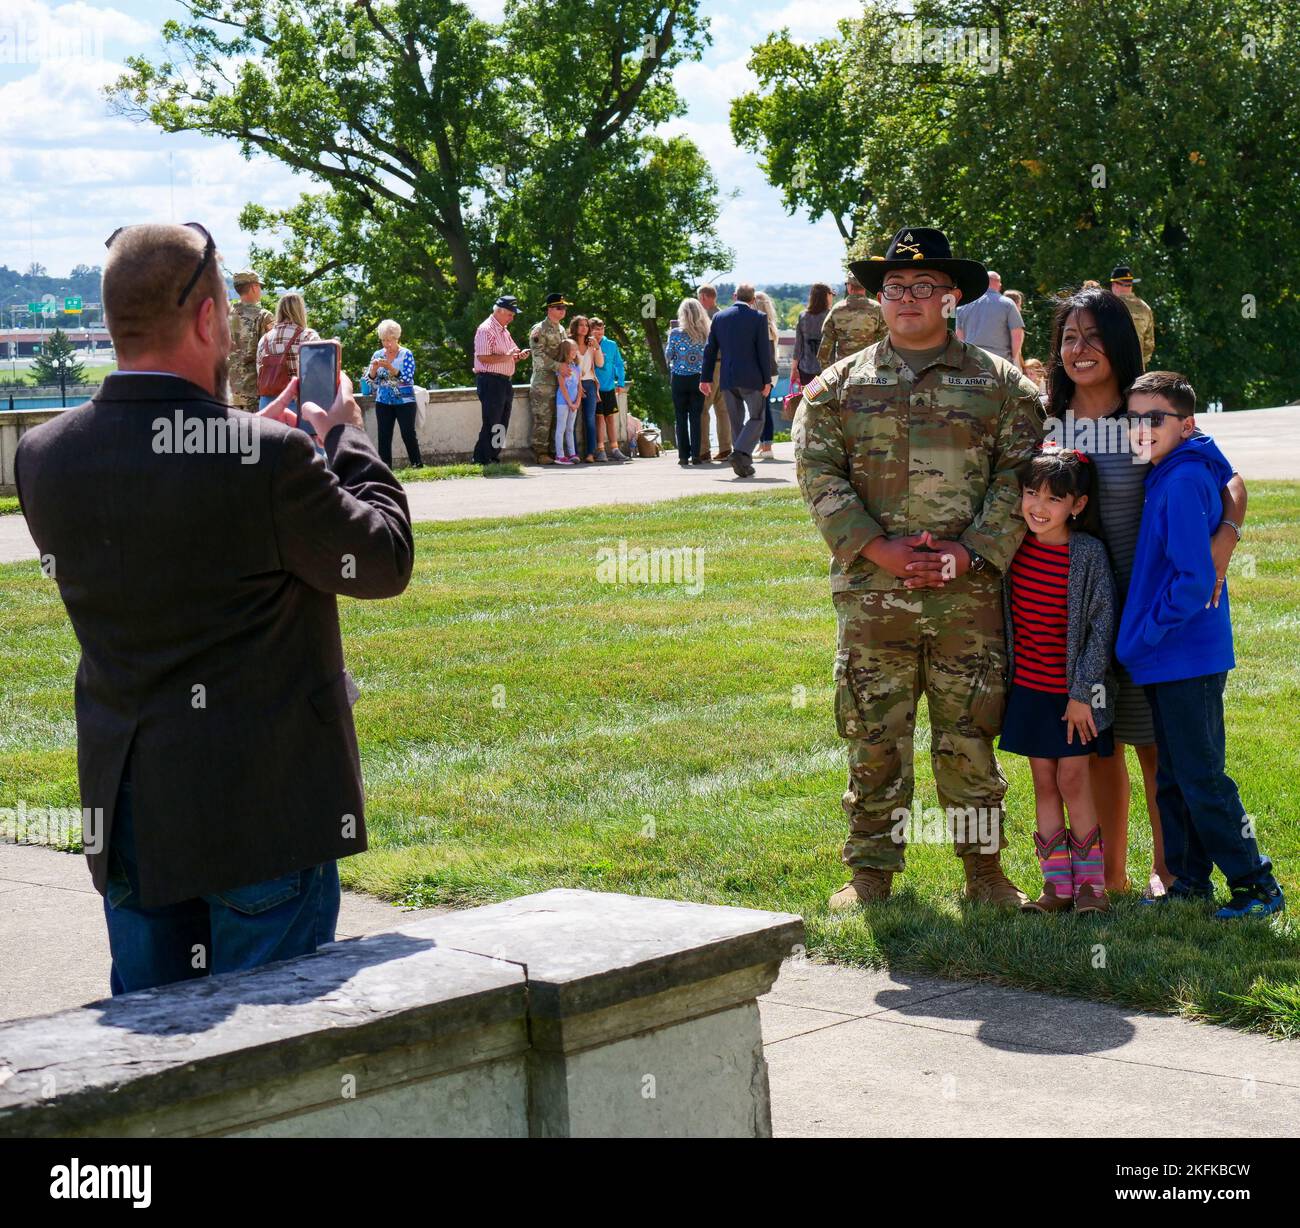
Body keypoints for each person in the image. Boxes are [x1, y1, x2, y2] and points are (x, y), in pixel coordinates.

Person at [13, 223, 414, 994]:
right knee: (269, 1069)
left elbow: (168, 505)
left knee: (148, 1063)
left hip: (131, 811)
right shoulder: (271, 459)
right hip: (264, 812)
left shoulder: (44, 455)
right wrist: (348, 441)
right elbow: (382, 558)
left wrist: (271, 442)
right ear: (204, 321)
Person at [795, 226, 1044, 909]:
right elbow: (818, 472)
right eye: (895, 287)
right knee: (874, 731)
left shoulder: (1000, 387)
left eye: (924, 286)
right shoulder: (838, 389)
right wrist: (879, 549)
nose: (907, 298)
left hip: (968, 596)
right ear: (880, 299)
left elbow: (1018, 477)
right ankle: (871, 872)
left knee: (969, 735)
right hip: (875, 595)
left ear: (952, 297)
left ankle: (984, 872)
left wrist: (968, 551)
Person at [1043, 285, 1247, 894]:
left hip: (1152, 611)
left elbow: (1227, 478)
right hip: (1082, 614)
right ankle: (1110, 876)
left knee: (1158, 746)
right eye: (1069, 338)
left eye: (1095, 337)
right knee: (1099, 746)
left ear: (1121, 344)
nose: (1080, 350)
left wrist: (1224, 542)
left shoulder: (1145, 417)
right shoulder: (1048, 423)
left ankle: (1173, 869)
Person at [1117, 371, 1282, 919]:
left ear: (1186, 425)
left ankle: (1256, 884)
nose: (1142, 429)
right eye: (1133, 419)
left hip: (1184, 652)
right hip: (1170, 656)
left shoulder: (1183, 479)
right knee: (1174, 772)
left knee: (1203, 776)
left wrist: (1145, 633)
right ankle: (1188, 881)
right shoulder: (1176, 466)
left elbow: (1192, 581)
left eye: (1154, 419)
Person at [1000, 449, 1116, 914]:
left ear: (1078, 505)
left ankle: (1093, 889)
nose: (1038, 506)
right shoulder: (1016, 548)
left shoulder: (1087, 554)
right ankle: (1057, 888)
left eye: (1053, 498)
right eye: (1031, 493)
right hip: (1029, 689)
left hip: (1074, 697)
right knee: (1044, 783)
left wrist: (1082, 693)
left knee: (1073, 780)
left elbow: (1101, 626)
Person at [700, 283, 771, 478]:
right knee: (757, 417)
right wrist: (767, 380)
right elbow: (764, 352)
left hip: (728, 377)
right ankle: (739, 453)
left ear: (734, 296)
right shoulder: (759, 318)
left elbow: (710, 349)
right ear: (753, 299)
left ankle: (743, 465)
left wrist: (705, 378)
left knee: (736, 420)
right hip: (752, 377)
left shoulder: (719, 317)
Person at [472, 294, 529, 464]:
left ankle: (493, 455)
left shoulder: (504, 330)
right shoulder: (486, 329)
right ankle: (481, 457)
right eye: (510, 314)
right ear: (500, 311)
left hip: (504, 380)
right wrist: (506, 357)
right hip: (490, 380)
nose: (512, 318)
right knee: (492, 420)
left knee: (502, 421)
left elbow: (510, 355)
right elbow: (483, 357)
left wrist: (518, 356)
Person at [256, 291, 320, 442]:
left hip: (268, 404)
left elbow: (259, 371)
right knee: (311, 456)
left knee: (273, 457)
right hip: (298, 403)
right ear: (300, 311)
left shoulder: (264, 339)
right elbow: (317, 375)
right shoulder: (309, 336)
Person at [368, 319, 422, 469]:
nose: (386, 344)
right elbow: (371, 381)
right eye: (383, 340)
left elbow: (407, 378)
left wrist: (390, 367)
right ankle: (385, 469)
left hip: (405, 401)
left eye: (389, 340)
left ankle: (417, 465)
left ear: (396, 338)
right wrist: (373, 370)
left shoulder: (406, 354)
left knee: (408, 433)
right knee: (384, 436)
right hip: (383, 401)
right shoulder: (378, 354)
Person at [665, 297, 709, 466]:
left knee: (680, 417)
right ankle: (696, 455)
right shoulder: (705, 333)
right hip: (698, 378)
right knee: (696, 418)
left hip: (679, 378)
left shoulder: (675, 333)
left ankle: (683, 455)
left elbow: (669, 355)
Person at [529, 293, 572, 465]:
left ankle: (556, 452)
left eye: (564, 308)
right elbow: (538, 355)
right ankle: (540, 453)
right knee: (543, 418)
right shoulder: (539, 329)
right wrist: (558, 366)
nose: (563, 311)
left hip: (559, 381)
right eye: (559, 307)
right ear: (549, 309)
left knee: (558, 419)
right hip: (543, 382)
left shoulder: (561, 329)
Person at [955, 269, 1025, 369]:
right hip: (1000, 364)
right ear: (997, 283)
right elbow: (1017, 335)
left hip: (971, 362)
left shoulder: (963, 306)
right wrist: (1013, 359)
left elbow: (959, 338)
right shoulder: (1008, 304)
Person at [817, 270, 886, 366]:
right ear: (865, 285)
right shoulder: (877, 308)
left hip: (843, 369)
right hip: (868, 368)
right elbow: (886, 340)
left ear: (849, 286)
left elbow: (824, 348)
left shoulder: (837, 309)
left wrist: (828, 372)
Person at [695, 284, 732, 462]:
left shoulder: (702, 318)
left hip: (710, 366)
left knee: (703, 409)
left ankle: (703, 450)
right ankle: (726, 448)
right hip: (726, 366)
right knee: (723, 410)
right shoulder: (725, 315)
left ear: (703, 297)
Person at [226, 270, 273, 412]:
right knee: (253, 434)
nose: (261, 290)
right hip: (253, 396)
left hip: (227, 395)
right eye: (260, 286)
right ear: (253, 287)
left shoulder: (223, 314)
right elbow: (271, 354)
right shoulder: (264, 317)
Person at [589, 317, 628, 463]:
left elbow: (619, 363)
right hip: (595, 388)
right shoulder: (588, 345)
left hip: (610, 387)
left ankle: (615, 448)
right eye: (596, 329)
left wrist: (621, 382)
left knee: (610, 418)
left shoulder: (611, 344)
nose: (599, 332)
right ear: (590, 330)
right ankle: (600, 450)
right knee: (599, 419)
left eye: (602, 329)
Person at [570, 315, 603, 464]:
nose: (584, 327)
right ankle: (574, 454)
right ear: (575, 327)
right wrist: (577, 385)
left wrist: (597, 347)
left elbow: (600, 364)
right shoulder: (570, 344)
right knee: (573, 421)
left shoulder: (591, 344)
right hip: (573, 384)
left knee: (590, 420)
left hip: (589, 384)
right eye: (580, 325)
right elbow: (568, 366)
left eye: (586, 325)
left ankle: (591, 453)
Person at [753, 290, 781, 460]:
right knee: (762, 409)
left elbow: (766, 355)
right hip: (770, 372)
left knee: (763, 411)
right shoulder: (769, 324)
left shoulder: (763, 326)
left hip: (765, 373)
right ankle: (763, 444)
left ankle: (767, 446)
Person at [1109, 264, 1155, 367]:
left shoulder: (1108, 306)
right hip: (1137, 370)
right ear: (1131, 285)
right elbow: (1149, 345)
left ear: (1115, 285)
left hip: (1113, 369)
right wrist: (1140, 362)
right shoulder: (1145, 308)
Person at [794, 283, 833, 386]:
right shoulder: (831, 316)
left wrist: (793, 369)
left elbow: (798, 346)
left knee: (808, 400)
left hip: (806, 369)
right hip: (827, 370)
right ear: (826, 296)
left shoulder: (803, 316)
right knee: (826, 401)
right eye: (831, 294)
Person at [553, 340, 581, 465]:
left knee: (570, 428)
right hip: (563, 403)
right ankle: (560, 455)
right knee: (561, 428)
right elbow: (563, 387)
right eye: (572, 350)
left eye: (576, 349)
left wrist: (577, 402)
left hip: (574, 403)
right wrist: (570, 403)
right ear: (566, 351)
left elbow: (579, 386)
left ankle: (572, 453)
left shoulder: (577, 368)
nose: (575, 352)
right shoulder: (562, 368)